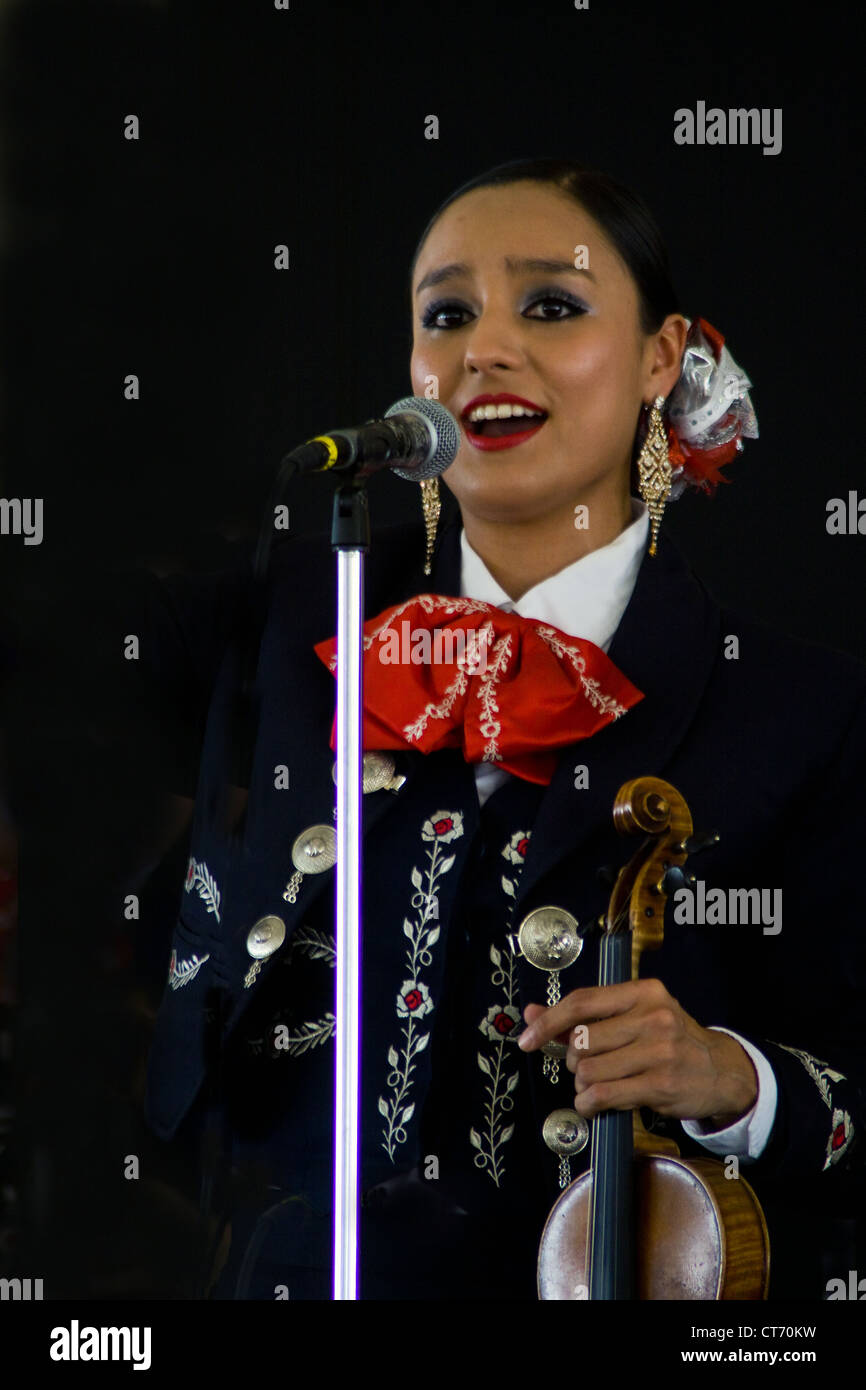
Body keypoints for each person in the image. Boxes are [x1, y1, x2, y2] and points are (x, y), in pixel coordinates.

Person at [141, 157, 865, 1301]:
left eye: (550, 304)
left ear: (659, 359)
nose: (483, 346)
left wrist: (733, 1077)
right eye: (446, 313)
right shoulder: (294, 609)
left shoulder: (805, 710)